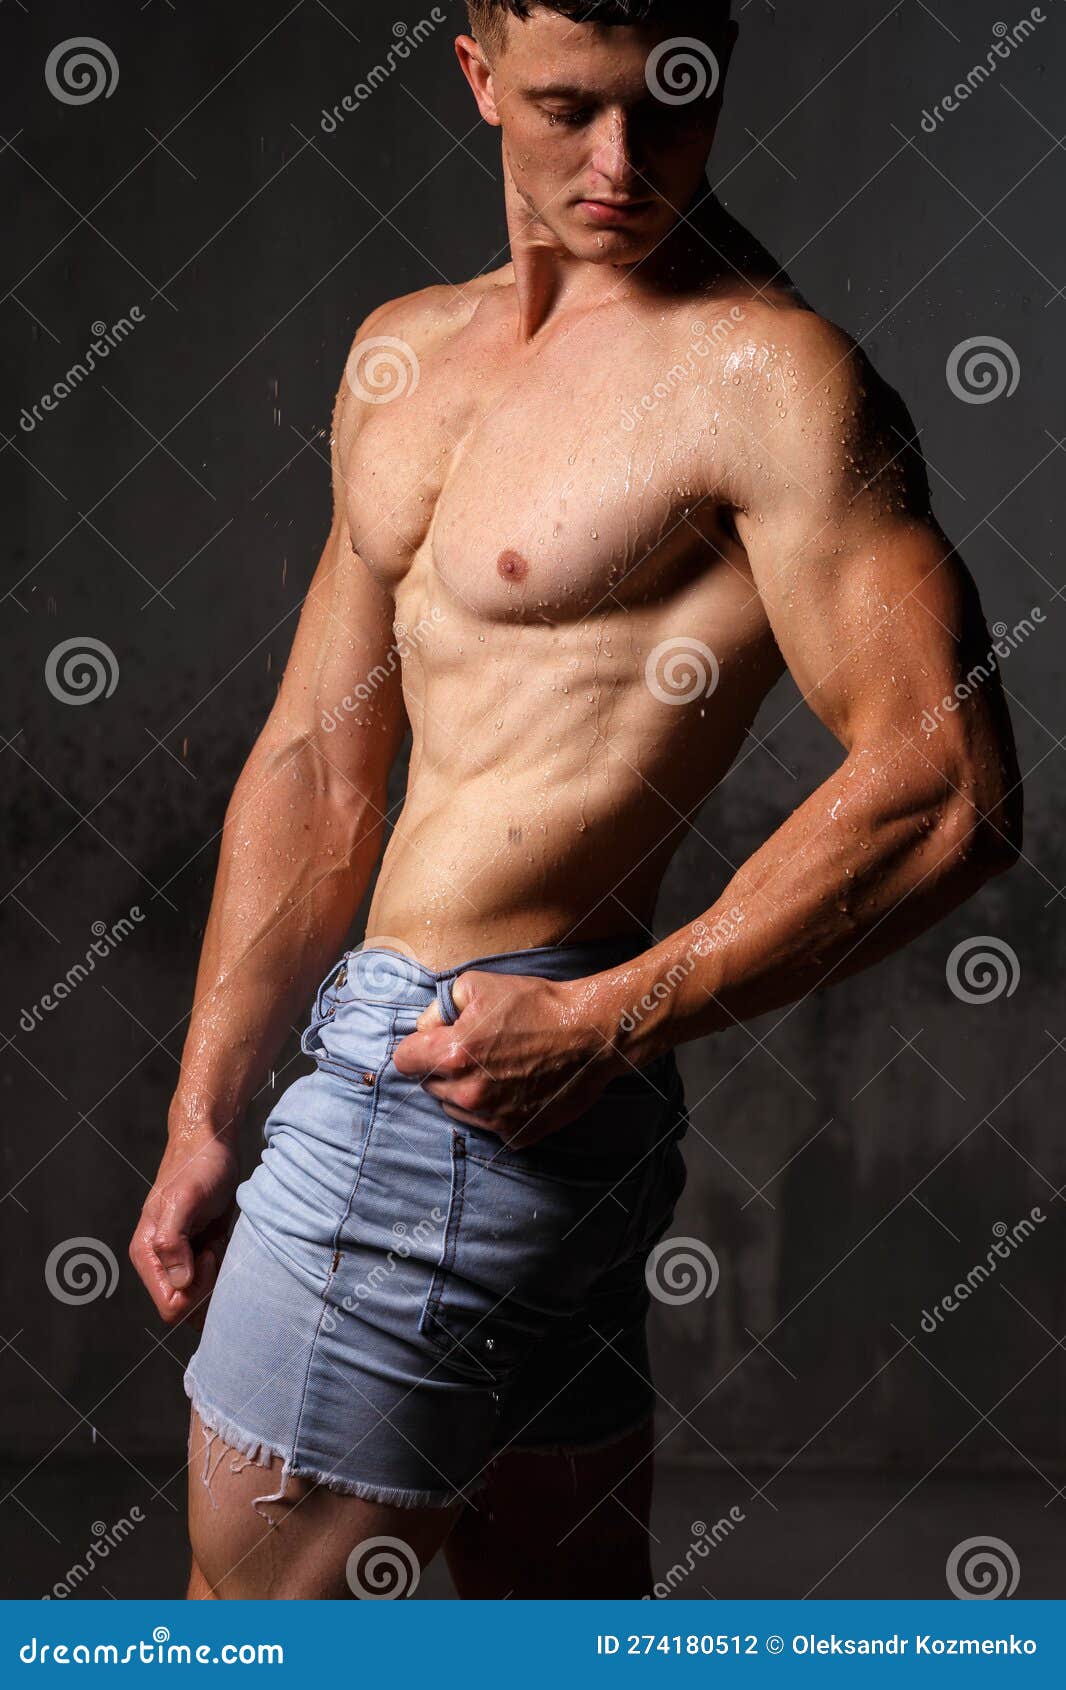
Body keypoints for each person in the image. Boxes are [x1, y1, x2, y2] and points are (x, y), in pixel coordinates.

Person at [129, 0, 1021, 1600]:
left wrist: (612, 1017)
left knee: (257, 1635)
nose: (622, 162)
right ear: (476, 76)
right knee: (555, 1615)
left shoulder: (763, 374)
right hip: (524, 1090)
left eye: (669, 108)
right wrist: (208, 1101)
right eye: (568, 109)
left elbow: (945, 782)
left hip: (485, 1071)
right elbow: (318, 763)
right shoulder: (404, 356)